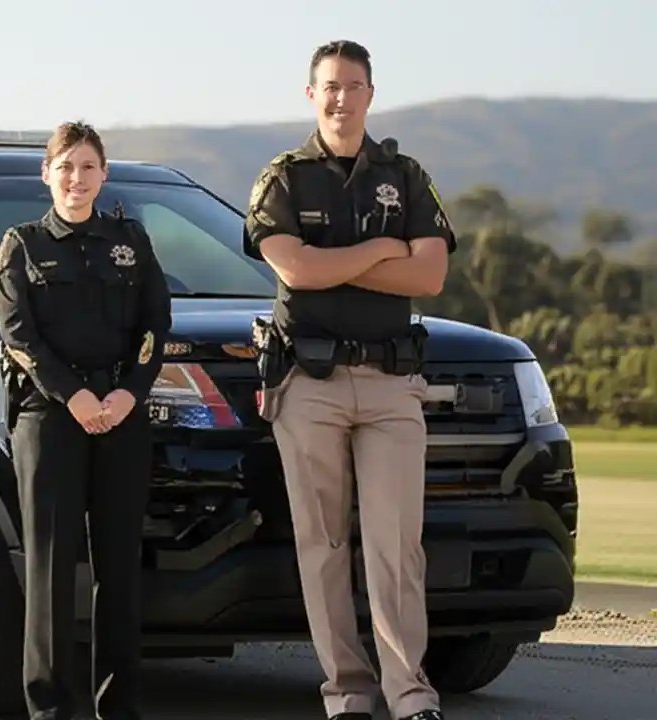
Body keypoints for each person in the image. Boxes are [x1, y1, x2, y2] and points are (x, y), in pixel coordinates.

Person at [243, 40, 456, 720]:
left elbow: (429, 276)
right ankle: (348, 694)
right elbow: (293, 271)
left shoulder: (408, 174)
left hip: (392, 382)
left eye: (353, 86)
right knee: (325, 547)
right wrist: (377, 251)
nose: (341, 97)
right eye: (329, 86)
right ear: (312, 95)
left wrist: (328, 258)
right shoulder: (282, 177)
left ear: (371, 93)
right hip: (309, 383)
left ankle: (410, 693)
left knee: (397, 546)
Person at [0, 120, 172, 720]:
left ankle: (118, 705)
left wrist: (128, 394)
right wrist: (73, 397)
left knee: (119, 567)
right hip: (49, 417)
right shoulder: (21, 245)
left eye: (88, 166)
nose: (77, 178)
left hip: (121, 414)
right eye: (65, 166)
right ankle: (49, 707)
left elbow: (155, 326)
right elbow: (19, 335)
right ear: (46, 174)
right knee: (49, 567)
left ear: (105, 174)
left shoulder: (131, 241)